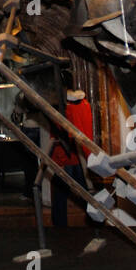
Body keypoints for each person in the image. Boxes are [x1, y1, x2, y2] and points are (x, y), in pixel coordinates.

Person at [48, 89, 92, 228]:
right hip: (73, 155)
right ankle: (94, 223)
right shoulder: (84, 105)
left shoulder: (67, 108)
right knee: (83, 192)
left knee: (63, 193)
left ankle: (60, 226)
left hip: (69, 155)